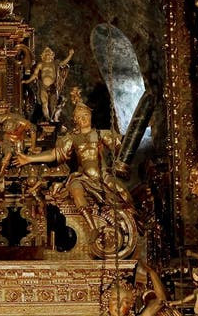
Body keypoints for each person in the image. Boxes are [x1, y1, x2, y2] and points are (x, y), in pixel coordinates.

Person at [16, 96, 135, 233]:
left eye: (85, 115)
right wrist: (30, 158)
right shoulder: (72, 139)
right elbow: (55, 153)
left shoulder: (101, 134)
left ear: (90, 116)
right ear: (75, 121)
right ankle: (93, 230)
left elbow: (122, 147)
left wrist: (128, 140)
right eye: (79, 117)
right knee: (75, 190)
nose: (83, 119)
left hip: (103, 177)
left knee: (123, 193)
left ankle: (130, 228)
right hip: (81, 177)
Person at [22, 45, 74, 123]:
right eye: (46, 54)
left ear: (52, 55)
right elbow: (35, 74)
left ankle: (52, 118)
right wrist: (27, 81)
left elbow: (64, 63)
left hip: (53, 87)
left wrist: (70, 55)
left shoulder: (55, 63)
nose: (47, 56)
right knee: (44, 102)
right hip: (43, 86)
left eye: (49, 54)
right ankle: (47, 118)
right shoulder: (40, 64)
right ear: (43, 56)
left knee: (53, 104)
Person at [0, 110, 38, 179]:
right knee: (8, 154)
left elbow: (33, 130)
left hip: (19, 141)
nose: (10, 132)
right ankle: (1, 173)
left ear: (16, 126)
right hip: (6, 141)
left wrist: (33, 147)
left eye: (11, 131)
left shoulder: (23, 123)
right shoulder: (2, 118)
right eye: (7, 130)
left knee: (19, 154)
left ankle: (20, 171)